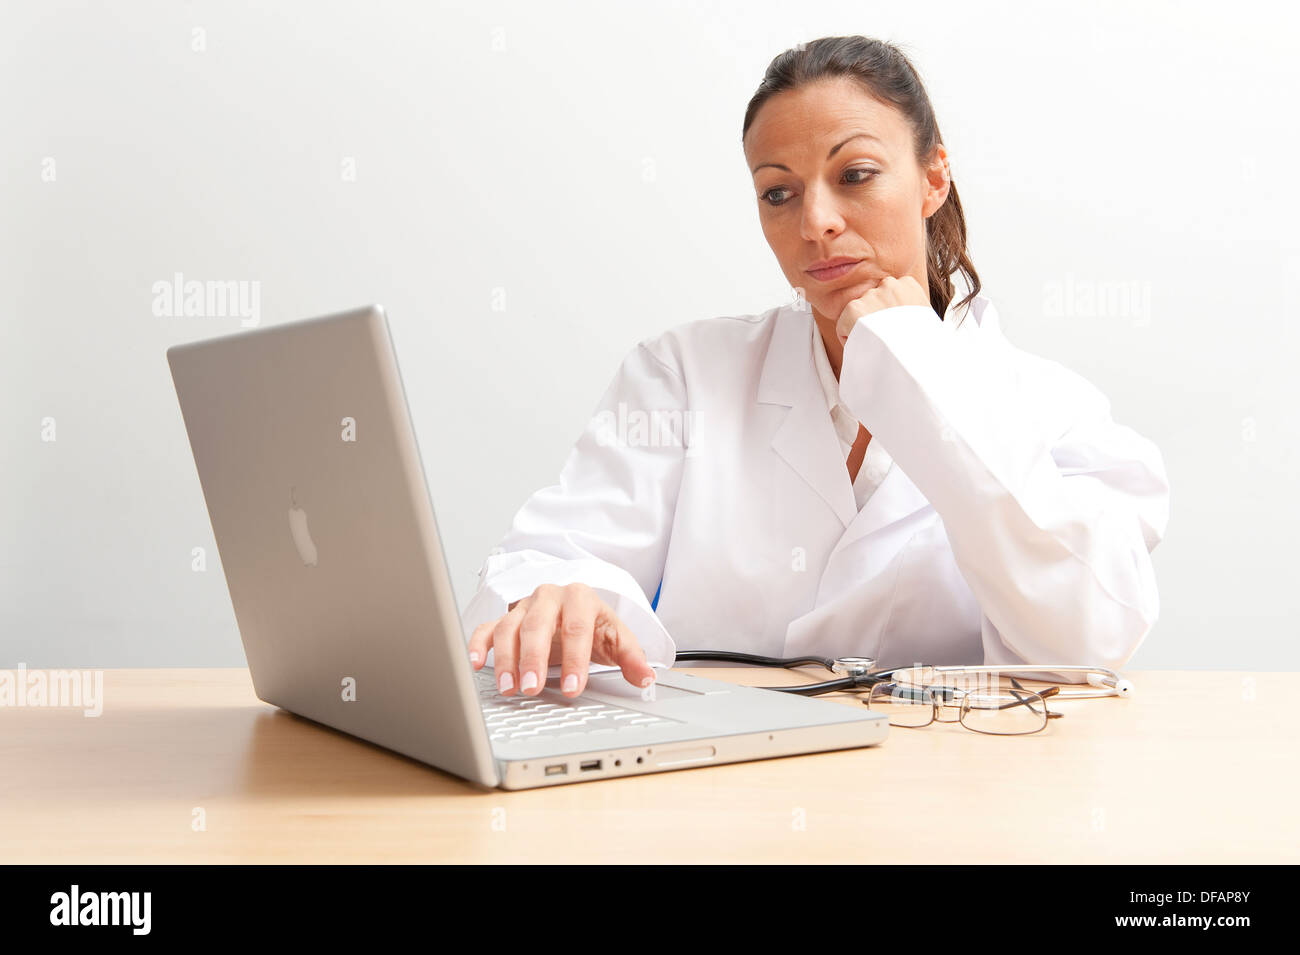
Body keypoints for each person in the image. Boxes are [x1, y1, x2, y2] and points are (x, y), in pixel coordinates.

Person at [460, 35, 1170, 700]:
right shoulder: (683, 373)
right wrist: (561, 600)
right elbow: (554, 555)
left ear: (933, 180)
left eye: (854, 175)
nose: (815, 222)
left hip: (947, 801)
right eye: (779, 192)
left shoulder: (1054, 410)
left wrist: (920, 372)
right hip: (715, 792)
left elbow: (1089, 640)